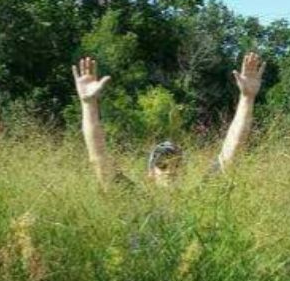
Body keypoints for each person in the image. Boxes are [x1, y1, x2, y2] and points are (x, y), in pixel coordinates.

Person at [72, 52, 267, 187]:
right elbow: (99, 161)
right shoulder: (135, 202)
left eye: (176, 165)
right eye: (162, 165)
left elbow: (231, 154)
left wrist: (247, 98)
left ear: (184, 173)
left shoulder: (201, 203)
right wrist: (88, 104)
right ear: (150, 174)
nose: (170, 171)